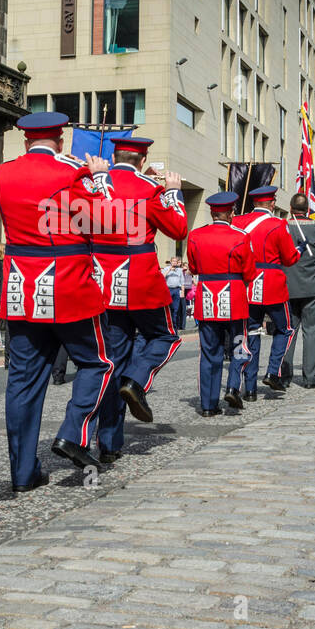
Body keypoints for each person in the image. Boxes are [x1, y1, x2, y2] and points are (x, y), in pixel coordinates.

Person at [0, 112, 116, 485]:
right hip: (67, 282)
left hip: (19, 283)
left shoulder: (4, 172)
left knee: (23, 380)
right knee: (97, 364)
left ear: (25, 140)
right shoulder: (72, 172)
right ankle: (73, 432)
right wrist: (99, 178)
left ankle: (22, 472)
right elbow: (107, 224)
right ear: (60, 141)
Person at [93, 139, 188, 460]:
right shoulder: (148, 187)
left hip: (104, 282)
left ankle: (108, 444)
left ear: (114, 157)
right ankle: (138, 379)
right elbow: (177, 228)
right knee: (165, 336)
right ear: (142, 158)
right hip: (140, 278)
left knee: (113, 361)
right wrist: (173, 191)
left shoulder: (96, 185)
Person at [187, 192, 256, 414]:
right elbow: (249, 272)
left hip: (207, 297)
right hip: (233, 298)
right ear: (232, 213)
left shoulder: (196, 235)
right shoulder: (242, 236)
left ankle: (208, 405)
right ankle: (233, 386)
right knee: (238, 346)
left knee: (209, 353)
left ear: (212, 212)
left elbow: (194, 267)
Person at [233, 185, 297, 397]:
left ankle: (249, 388)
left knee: (250, 333)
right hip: (271, 283)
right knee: (285, 328)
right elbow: (289, 258)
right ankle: (273, 371)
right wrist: (298, 252)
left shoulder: (238, 222)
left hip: (246, 283)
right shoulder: (278, 224)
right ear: (272, 203)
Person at [281, 193, 315, 388]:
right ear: (307, 209)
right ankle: (310, 377)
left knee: (287, 332)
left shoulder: (283, 227)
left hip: (288, 287)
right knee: (312, 332)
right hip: (313, 286)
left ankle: (284, 375)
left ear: (291, 209)